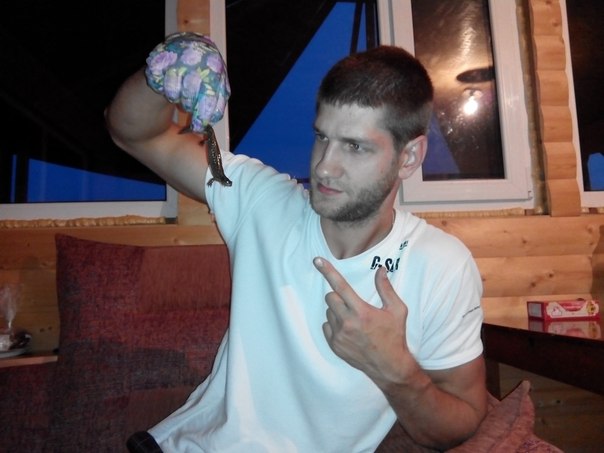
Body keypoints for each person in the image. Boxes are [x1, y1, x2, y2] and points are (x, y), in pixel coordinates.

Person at [106, 32, 487, 452]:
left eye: (354, 146)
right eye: (322, 137)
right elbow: (134, 134)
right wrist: (161, 73)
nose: (324, 167)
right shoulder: (262, 200)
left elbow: (463, 419)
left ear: (409, 157)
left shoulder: (441, 265)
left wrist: (395, 371)